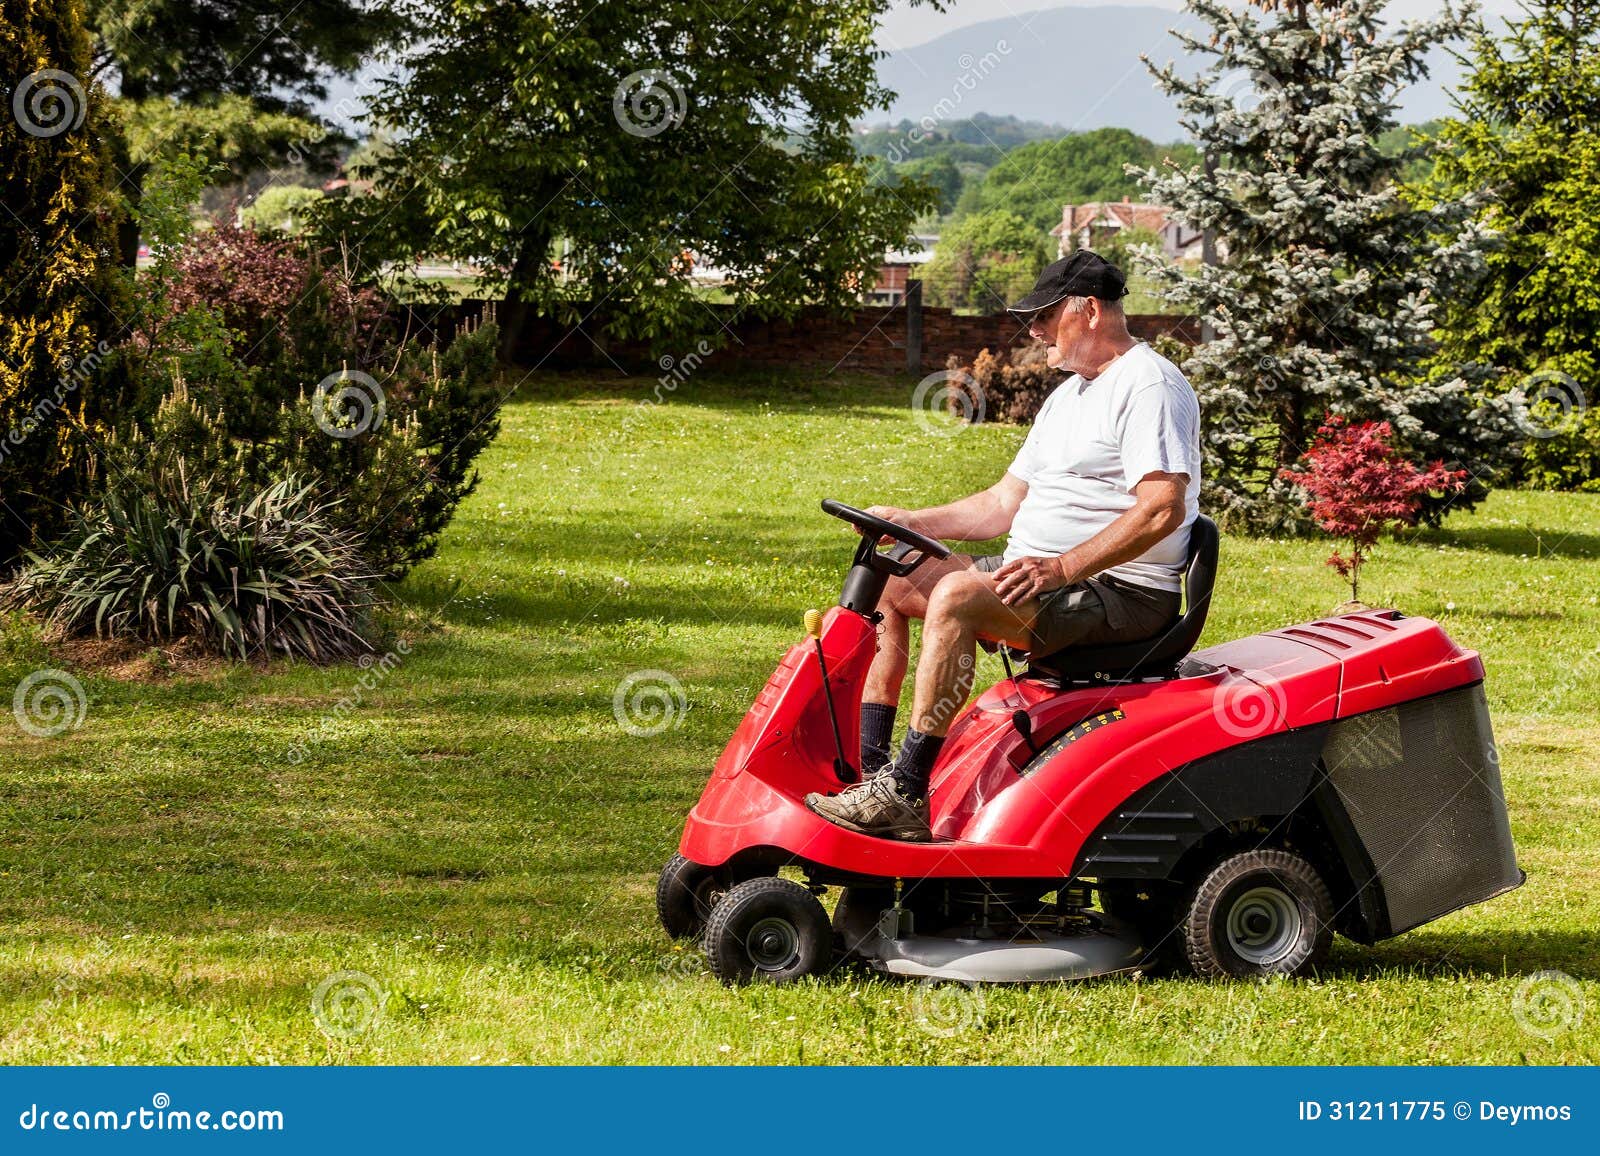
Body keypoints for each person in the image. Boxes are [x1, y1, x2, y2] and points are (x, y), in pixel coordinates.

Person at [805, 249, 1202, 841]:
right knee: (892, 581)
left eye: (1044, 315)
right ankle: (875, 770)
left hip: (1119, 593)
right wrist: (912, 520)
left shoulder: (1149, 386)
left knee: (959, 597)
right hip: (1043, 576)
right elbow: (1000, 504)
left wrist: (1061, 568)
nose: (1034, 329)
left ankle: (908, 794)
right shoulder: (1069, 395)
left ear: (1089, 310)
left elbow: (1162, 507)